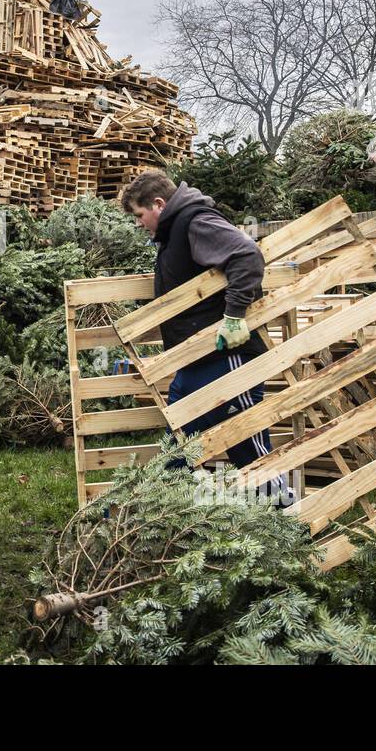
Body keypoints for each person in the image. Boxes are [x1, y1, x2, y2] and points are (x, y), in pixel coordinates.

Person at [120, 170, 289, 504]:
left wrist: (234, 316)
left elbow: (247, 256)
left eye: (139, 215)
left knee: (246, 445)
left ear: (158, 204)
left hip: (225, 358)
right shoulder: (173, 231)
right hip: (193, 360)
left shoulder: (195, 221)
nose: (139, 223)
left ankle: (287, 518)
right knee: (177, 449)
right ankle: (158, 522)